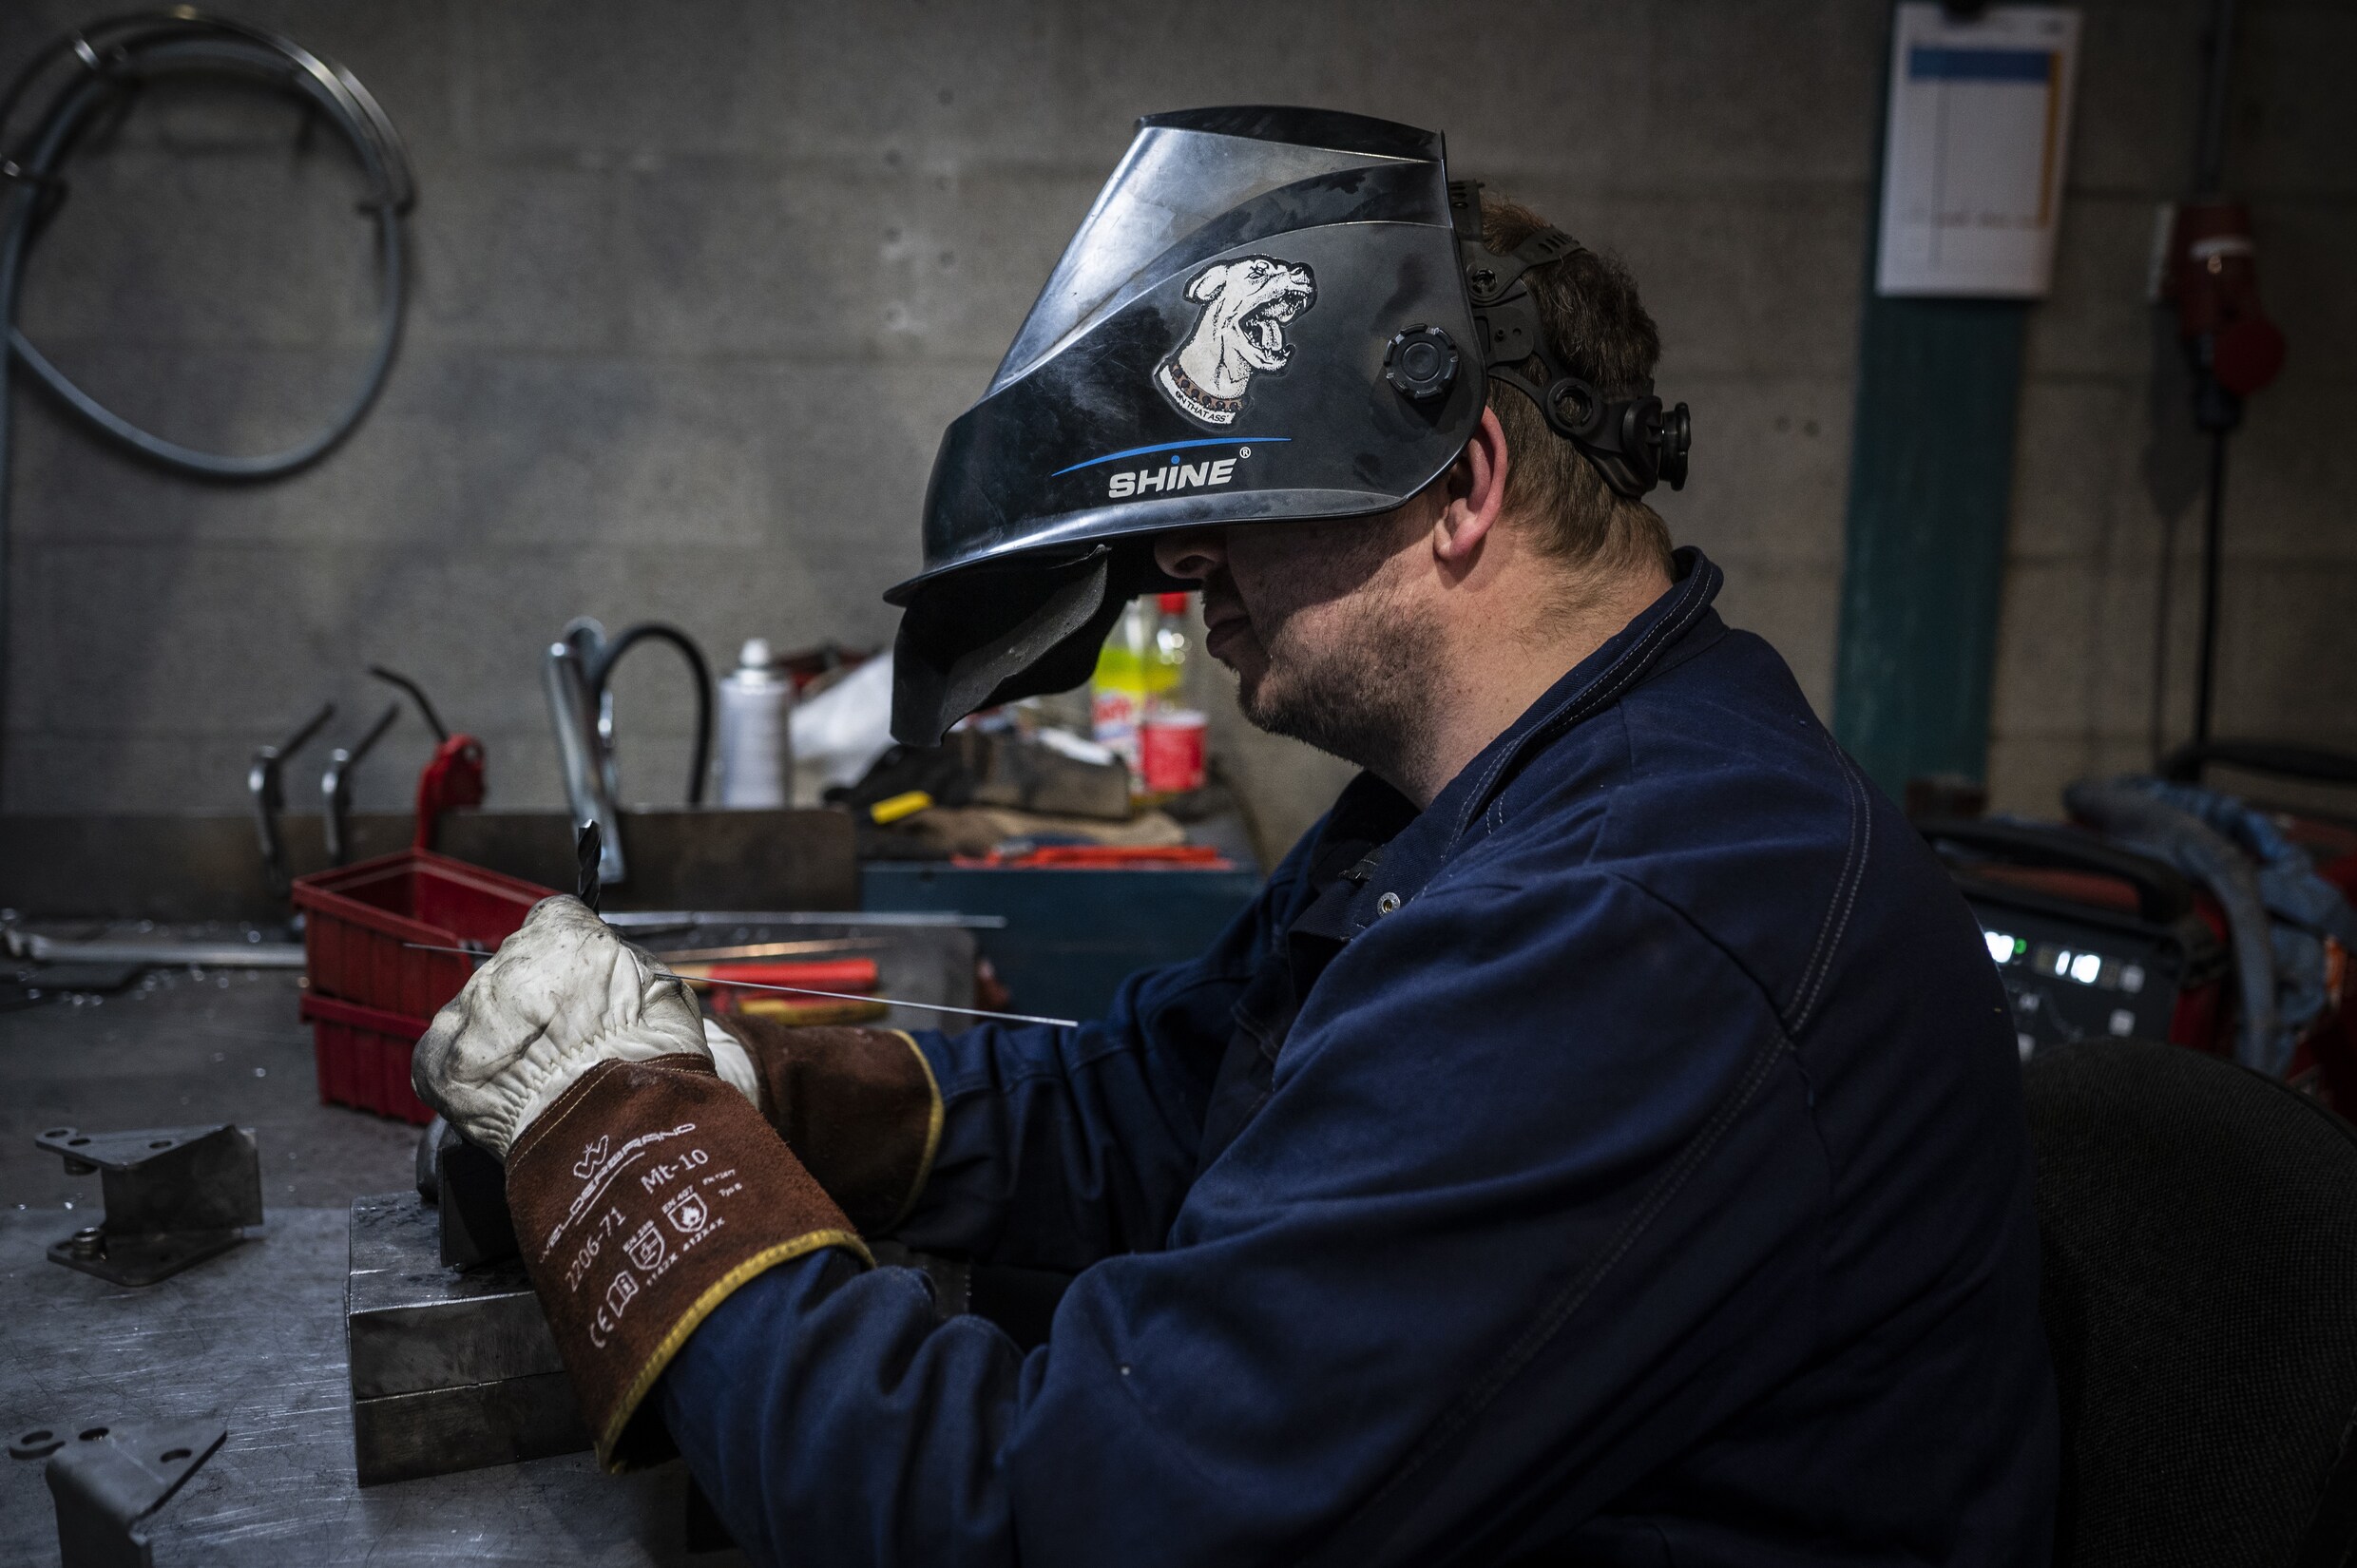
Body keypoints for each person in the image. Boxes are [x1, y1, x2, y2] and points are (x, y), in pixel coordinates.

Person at [415, 107, 2056, 1566]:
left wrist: (632, 1148)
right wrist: (766, 1091)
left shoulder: (1636, 917)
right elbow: (1151, 1104)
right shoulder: (1507, 801)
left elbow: (1051, 1512)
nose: (1189, 573)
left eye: (1236, 518)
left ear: (1459, 478)